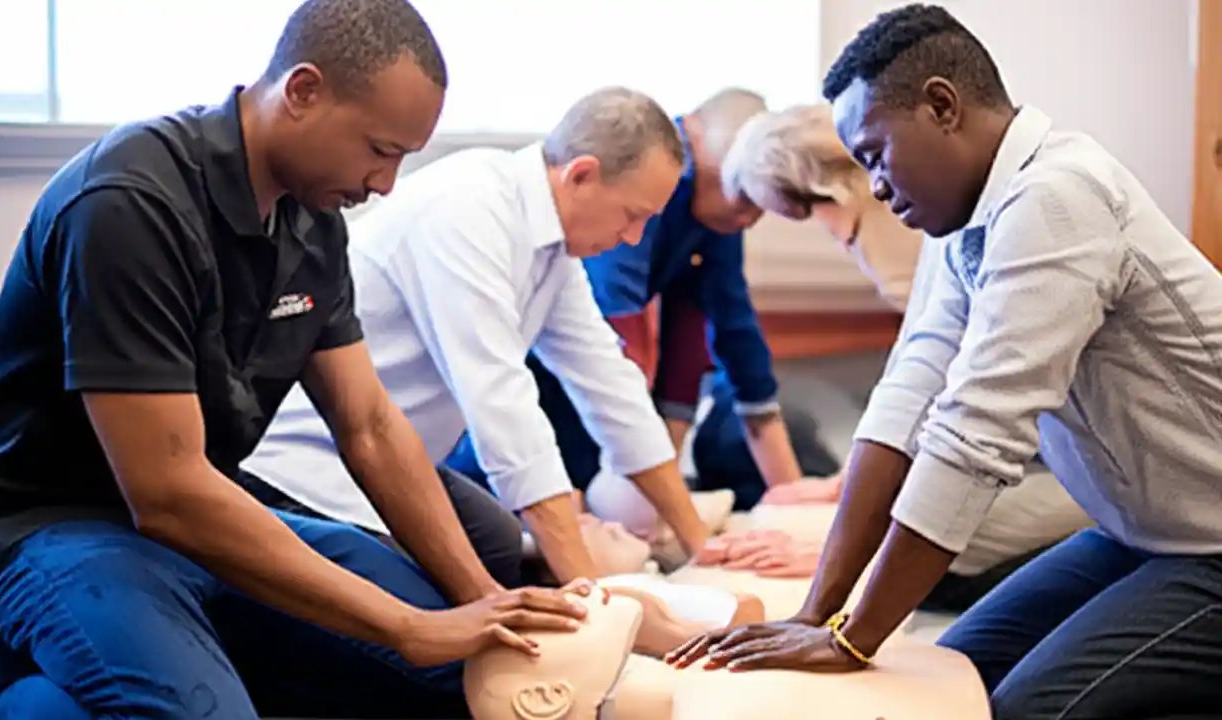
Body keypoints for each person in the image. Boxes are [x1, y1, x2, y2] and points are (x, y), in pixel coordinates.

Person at [0, 2, 592, 717]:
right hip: (43, 523)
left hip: (204, 509)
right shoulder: (130, 202)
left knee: (464, 675)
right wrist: (406, 628)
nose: (386, 184)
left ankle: (201, 654)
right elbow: (167, 493)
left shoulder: (314, 218)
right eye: (381, 151)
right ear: (304, 91)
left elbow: (370, 426)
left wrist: (485, 604)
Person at [665, 4, 1222, 718]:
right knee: (943, 675)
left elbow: (973, 435)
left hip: (1210, 545)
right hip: (1144, 535)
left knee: (1021, 709)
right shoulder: (967, 224)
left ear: (941, 106)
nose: (875, 185)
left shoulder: (1058, 197)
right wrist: (819, 613)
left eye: (875, 154)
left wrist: (852, 639)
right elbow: (909, 393)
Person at [242, 87, 708, 586]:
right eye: (633, 215)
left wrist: (702, 546)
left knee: (504, 549)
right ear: (581, 175)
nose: (633, 238)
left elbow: (609, 384)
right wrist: (590, 597)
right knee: (430, 606)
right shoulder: (468, 208)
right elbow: (502, 407)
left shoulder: (554, 247)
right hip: (305, 470)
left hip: (398, 466)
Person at [722, 104, 1091, 610]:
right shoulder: (915, 233)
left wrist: (851, 552)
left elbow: (971, 418)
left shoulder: (946, 224)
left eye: (816, 215)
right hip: (1041, 454)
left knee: (927, 550)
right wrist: (847, 486)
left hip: (1085, 473)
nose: (838, 241)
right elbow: (912, 375)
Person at [446, 87, 827, 513]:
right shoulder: (640, 195)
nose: (747, 219)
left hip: (609, 374)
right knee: (547, 475)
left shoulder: (714, 214)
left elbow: (725, 334)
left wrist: (787, 503)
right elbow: (611, 344)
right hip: (558, 376)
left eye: (758, 210)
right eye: (742, 200)